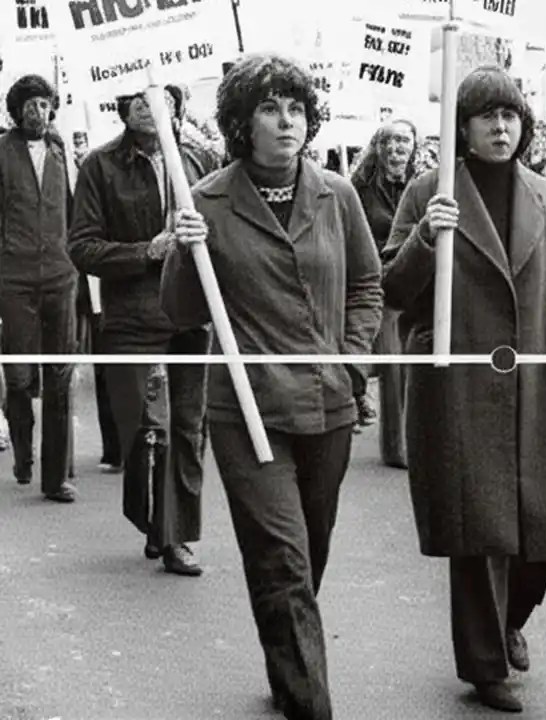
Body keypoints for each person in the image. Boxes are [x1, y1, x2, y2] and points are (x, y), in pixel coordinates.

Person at [160, 52, 383, 720]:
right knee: (282, 559)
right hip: (246, 411)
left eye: (295, 108)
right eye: (268, 107)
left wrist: (353, 361)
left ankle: (289, 665)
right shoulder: (206, 200)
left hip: (327, 404)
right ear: (239, 122)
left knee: (305, 555)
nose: (286, 121)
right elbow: (181, 312)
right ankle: (312, 704)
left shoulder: (337, 194)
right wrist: (181, 247)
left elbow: (368, 286)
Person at [381, 65, 546, 714]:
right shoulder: (430, 188)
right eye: (488, 117)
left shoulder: (545, 192)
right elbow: (394, 288)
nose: (501, 128)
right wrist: (428, 234)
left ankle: (512, 615)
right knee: (479, 530)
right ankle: (484, 666)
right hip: (462, 384)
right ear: (463, 127)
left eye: (510, 117)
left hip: (540, 374)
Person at [68, 84, 216, 576]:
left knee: (188, 429)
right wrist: (145, 252)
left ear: (176, 106)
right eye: (138, 100)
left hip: (191, 317)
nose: (151, 106)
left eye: (162, 99)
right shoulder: (100, 165)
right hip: (133, 320)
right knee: (147, 432)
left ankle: (175, 537)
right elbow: (82, 248)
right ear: (124, 111)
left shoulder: (198, 161)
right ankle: (149, 516)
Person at [0, 74, 76, 502]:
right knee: (20, 374)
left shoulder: (61, 150)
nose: (39, 113)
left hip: (60, 276)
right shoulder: (1, 151)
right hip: (14, 278)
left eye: (45, 105)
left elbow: (72, 207)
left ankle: (56, 476)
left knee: (60, 374)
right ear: (17, 112)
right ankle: (24, 456)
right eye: (31, 106)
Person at [350, 118, 419, 469]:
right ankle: (396, 446)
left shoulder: (422, 185)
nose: (397, 148)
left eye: (404, 140)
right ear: (379, 147)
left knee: (416, 366)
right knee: (393, 368)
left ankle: (419, 438)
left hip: (417, 282)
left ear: (413, 146)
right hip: (380, 285)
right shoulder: (361, 188)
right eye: (390, 141)